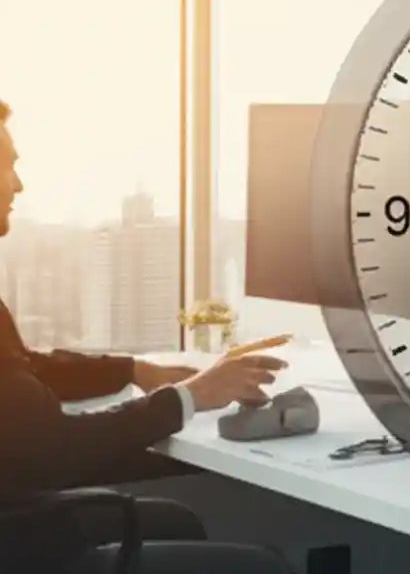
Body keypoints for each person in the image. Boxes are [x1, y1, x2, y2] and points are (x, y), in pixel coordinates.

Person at [0, 99, 294, 572]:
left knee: (176, 521)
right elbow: (55, 450)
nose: (18, 184)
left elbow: (24, 371)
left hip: (17, 523)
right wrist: (189, 397)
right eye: (7, 164)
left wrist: (137, 370)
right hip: (21, 547)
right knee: (265, 567)